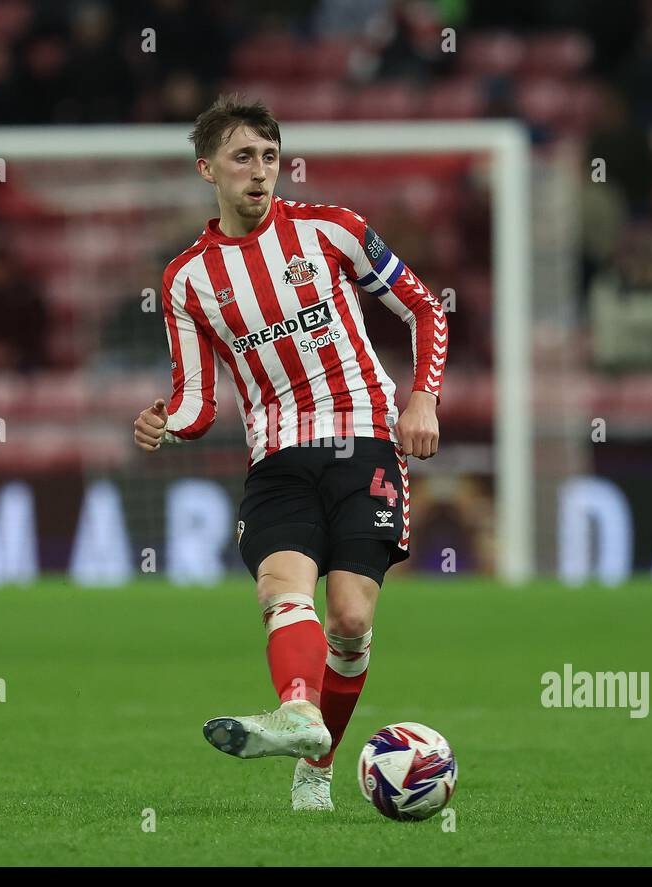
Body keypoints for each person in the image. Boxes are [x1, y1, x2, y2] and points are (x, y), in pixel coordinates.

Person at [132, 95, 448, 811]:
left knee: (350, 620)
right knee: (281, 588)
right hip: (275, 455)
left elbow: (425, 307)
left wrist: (423, 399)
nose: (260, 171)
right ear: (206, 168)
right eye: (243, 157)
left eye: (270, 157)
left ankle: (315, 763)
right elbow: (199, 400)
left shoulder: (334, 231)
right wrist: (165, 423)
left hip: (361, 436)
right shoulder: (187, 280)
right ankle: (298, 712)